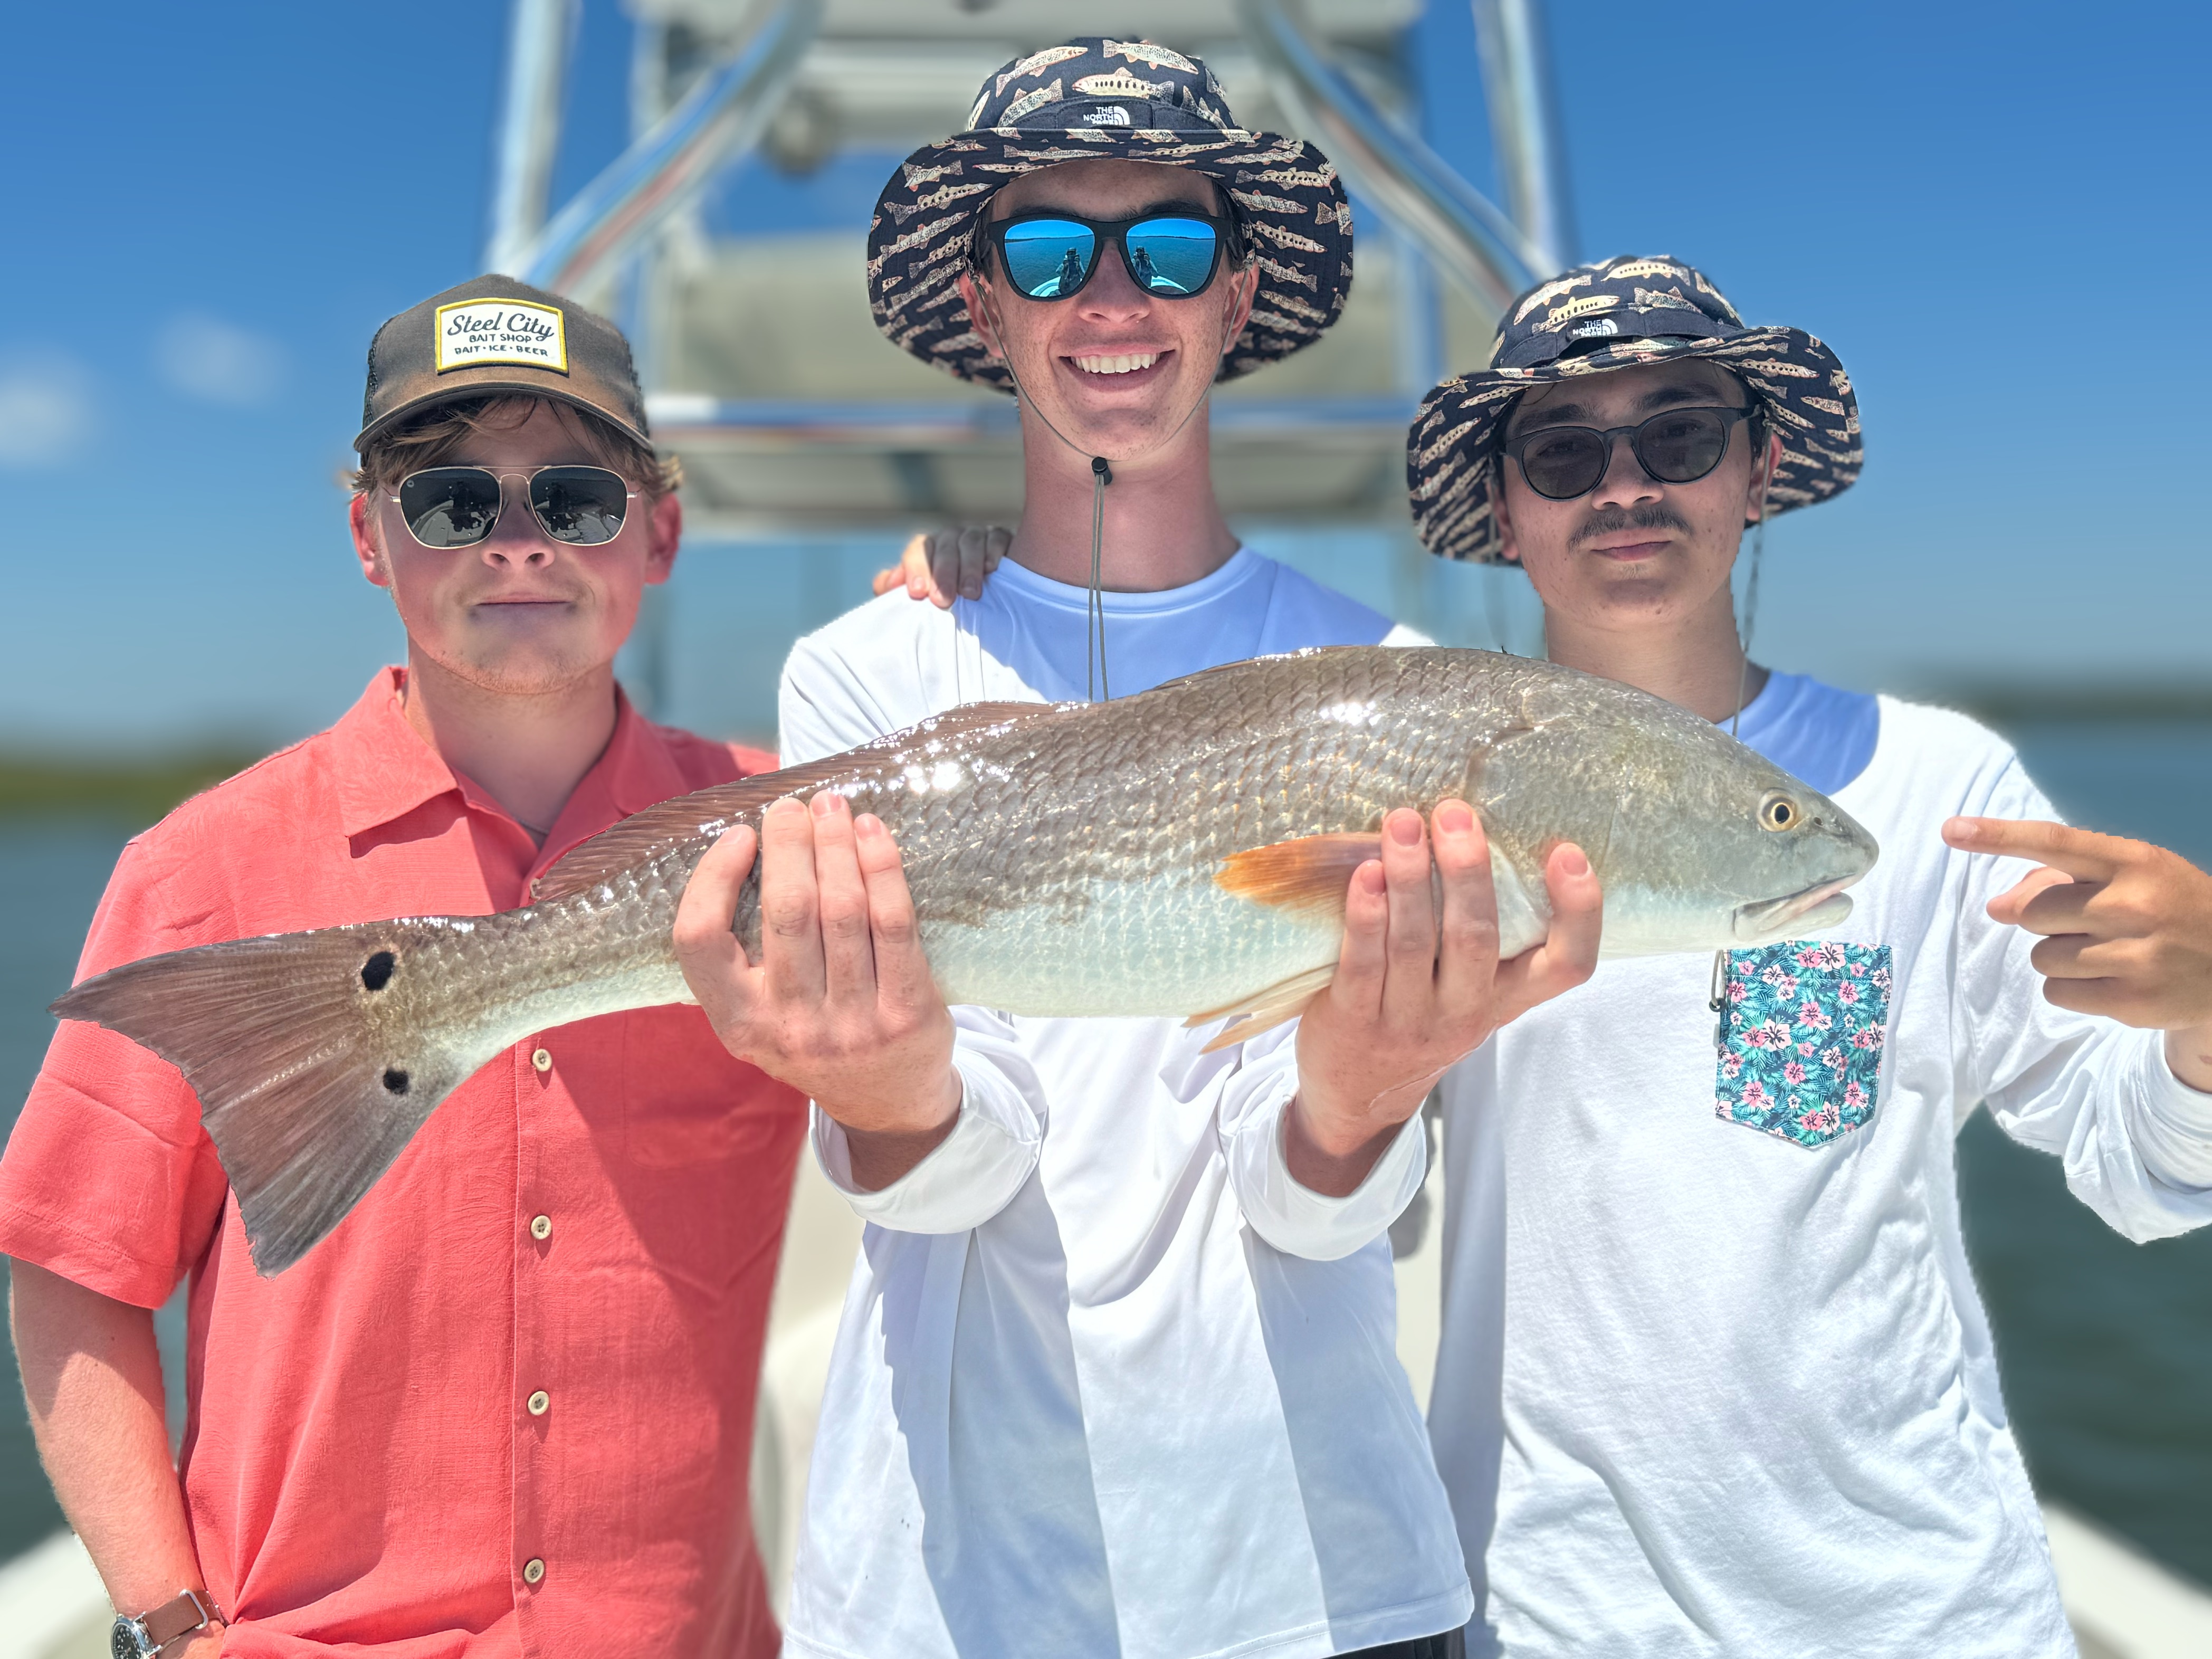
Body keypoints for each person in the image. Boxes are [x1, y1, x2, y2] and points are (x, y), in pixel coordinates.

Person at [669, 40, 1601, 1659]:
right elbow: (961, 1165)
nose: (1113, 296)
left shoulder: (1376, 677)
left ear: (1236, 298)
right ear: (986, 306)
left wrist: (1369, 1094)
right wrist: (883, 1098)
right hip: (961, 1591)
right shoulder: (869, 669)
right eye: (1050, 251)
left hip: (1321, 1572)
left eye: (1170, 245)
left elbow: (1319, 1215)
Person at [1395, 254, 2212, 1656]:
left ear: (1756, 469)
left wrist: (2205, 1020)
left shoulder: (1923, 783)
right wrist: (966, 584)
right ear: (1508, 507)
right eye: (1564, 449)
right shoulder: (1416, 785)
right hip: (1558, 1606)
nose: (1626, 483)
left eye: (1679, 434)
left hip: (1927, 1608)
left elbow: (2142, 1165)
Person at [1, 278, 808, 1658]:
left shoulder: (793, 840)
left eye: (575, 497)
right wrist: (165, 1622)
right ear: (373, 537)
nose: (517, 544)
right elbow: (75, 1264)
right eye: (450, 503)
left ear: (660, 529)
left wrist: (966, 577)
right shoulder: (199, 876)